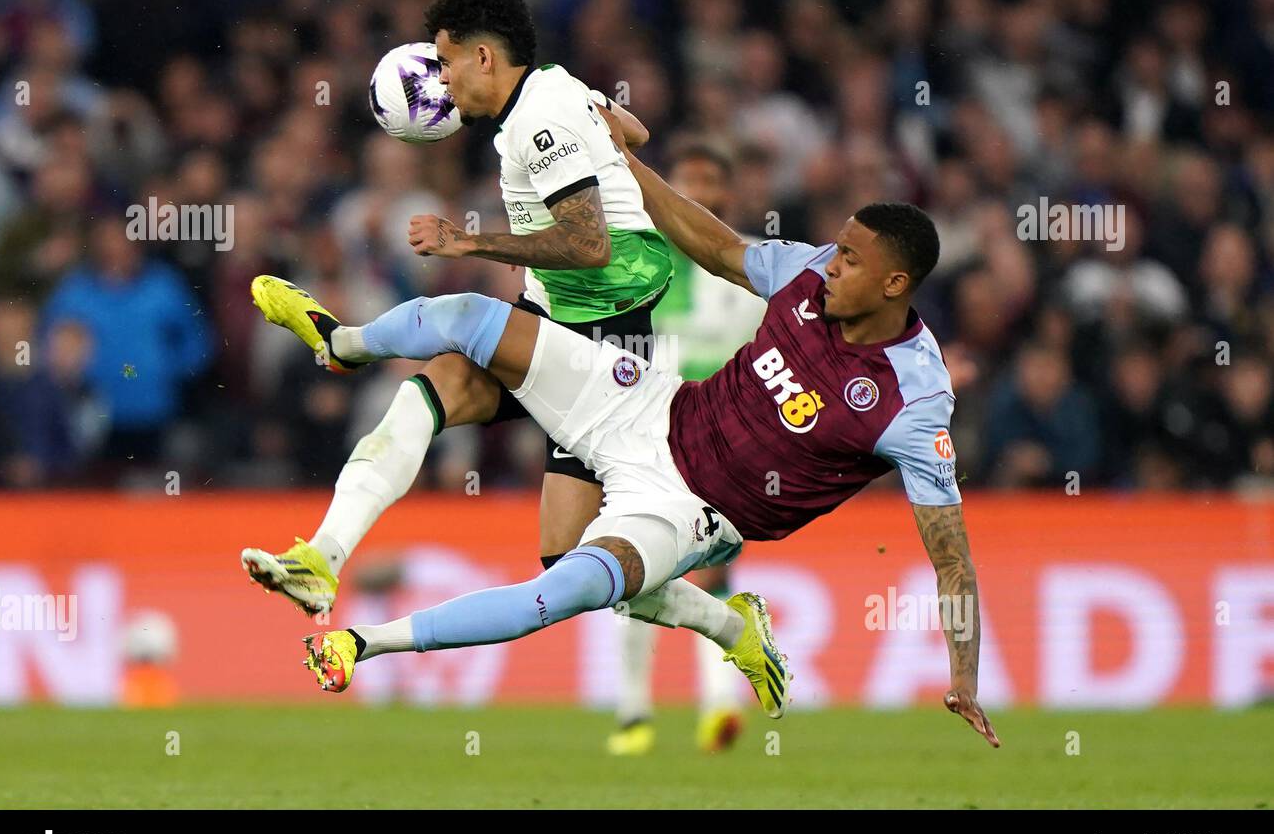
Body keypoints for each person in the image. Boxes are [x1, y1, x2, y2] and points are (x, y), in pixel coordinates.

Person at [242, 111, 998, 743]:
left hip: (693, 511)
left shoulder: (912, 401)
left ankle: (359, 644)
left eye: (852, 262)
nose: (832, 265)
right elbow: (715, 245)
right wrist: (630, 164)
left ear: (895, 285)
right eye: (837, 251)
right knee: (472, 318)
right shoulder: (809, 273)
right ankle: (339, 344)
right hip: (654, 405)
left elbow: (952, 560)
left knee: (558, 585)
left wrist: (963, 675)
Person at [239, 0, 674, 605]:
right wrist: (599, 122)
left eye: (445, 62)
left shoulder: (539, 119)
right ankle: (320, 559)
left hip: (607, 337)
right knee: (429, 407)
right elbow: (637, 131)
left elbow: (590, 246)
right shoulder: (555, 87)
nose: (441, 79)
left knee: (465, 318)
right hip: (561, 316)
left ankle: (342, 343)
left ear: (485, 57)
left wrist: (467, 243)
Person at [611, 141, 765, 755]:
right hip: (641, 434)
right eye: (688, 181)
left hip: (726, 439)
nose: (702, 192)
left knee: (712, 568)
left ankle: (715, 708)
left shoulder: (755, 261)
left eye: (713, 182)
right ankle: (632, 711)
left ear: (731, 193)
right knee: (630, 571)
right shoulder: (640, 257)